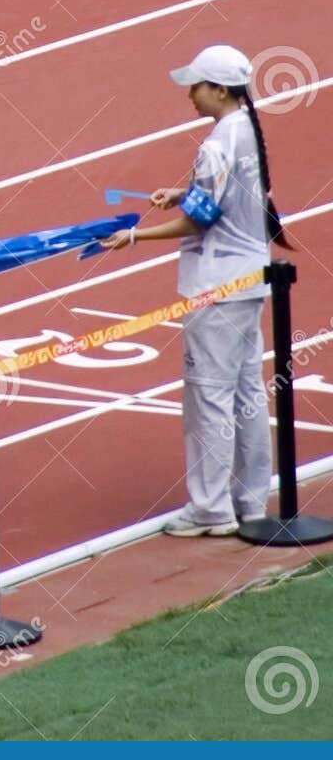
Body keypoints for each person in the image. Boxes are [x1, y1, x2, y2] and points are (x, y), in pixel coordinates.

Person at [103, 45, 291, 537]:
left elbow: (197, 223)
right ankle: (250, 500)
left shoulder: (215, 145)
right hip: (250, 279)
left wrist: (136, 236)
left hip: (215, 289)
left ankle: (210, 509)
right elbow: (224, 201)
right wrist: (181, 192)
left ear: (221, 90)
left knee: (209, 398)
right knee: (248, 393)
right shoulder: (248, 128)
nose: (189, 94)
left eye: (197, 85)